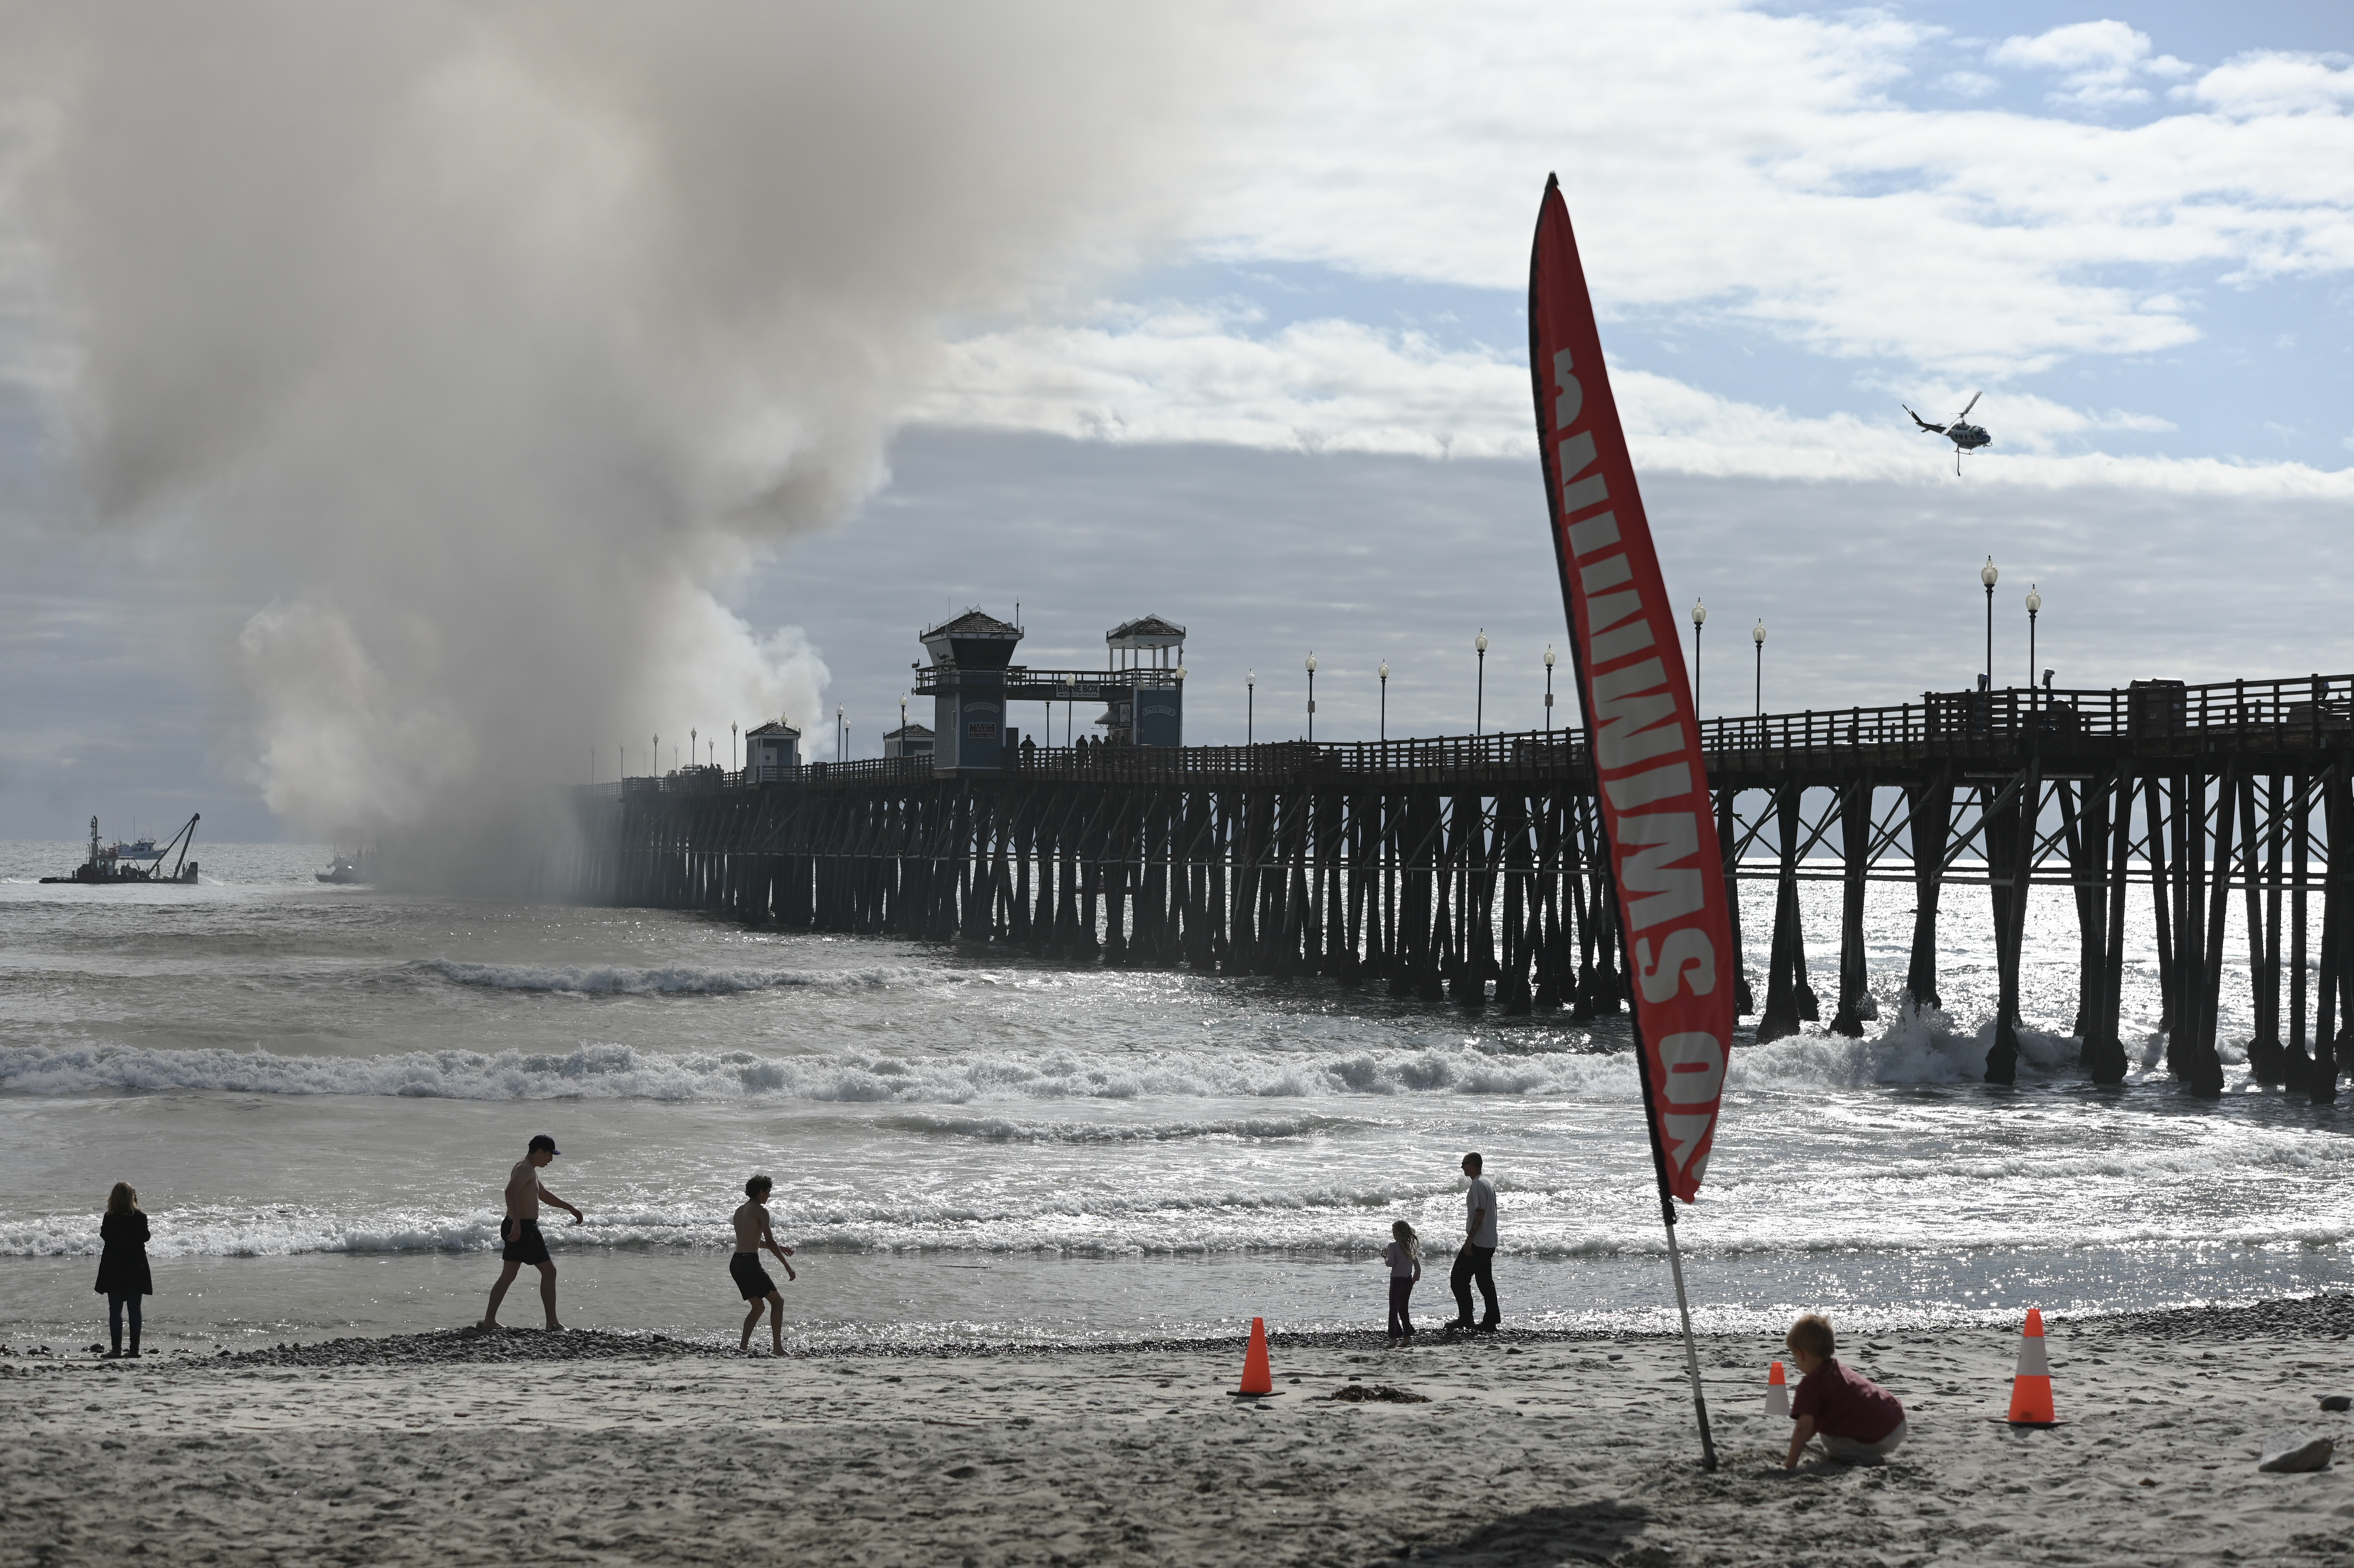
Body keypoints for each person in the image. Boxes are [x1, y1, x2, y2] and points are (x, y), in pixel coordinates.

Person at [479, 1134, 583, 1331]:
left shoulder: (529, 1170)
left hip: (518, 1225)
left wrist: (570, 1208)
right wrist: (517, 1224)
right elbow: (510, 1192)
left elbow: (543, 1195)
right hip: (524, 1228)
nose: (551, 1160)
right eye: (550, 1155)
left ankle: (489, 1322)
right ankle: (552, 1323)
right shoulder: (524, 1169)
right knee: (549, 1272)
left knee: (508, 1275)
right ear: (540, 1151)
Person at [1782, 1313, 1907, 1468]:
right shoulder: (1839, 1370)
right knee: (1830, 1425)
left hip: (1880, 1436)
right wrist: (1805, 1440)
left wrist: (1791, 1462)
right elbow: (1815, 1423)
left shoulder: (1812, 1384)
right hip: (1898, 1422)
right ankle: (1865, 1452)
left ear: (1800, 1354)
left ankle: (1866, 1460)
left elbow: (1804, 1425)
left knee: (1829, 1438)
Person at [731, 1174, 797, 1355]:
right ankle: (778, 1349)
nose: (769, 1196)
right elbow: (769, 1240)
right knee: (778, 1302)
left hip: (736, 1263)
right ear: (761, 1191)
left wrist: (779, 1248)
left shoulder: (739, 1211)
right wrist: (787, 1266)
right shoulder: (761, 1211)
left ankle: (743, 1349)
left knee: (759, 1306)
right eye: (768, 1192)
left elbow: (750, 1240)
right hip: (749, 1263)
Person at [94, 1183, 152, 1360]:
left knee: (115, 1310)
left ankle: (116, 1350)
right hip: (136, 1266)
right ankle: (134, 1350)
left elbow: (105, 1236)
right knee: (135, 1309)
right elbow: (145, 1237)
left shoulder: (110, 1217)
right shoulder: (140, 1217)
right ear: (131, 1198)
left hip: (114, 1266)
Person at [1447, 1152, 1499, 1331]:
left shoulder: (1478, 1184)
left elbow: (1481, 1212)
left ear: (1474, 1165)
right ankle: (1491, 1320)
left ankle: (1466, 1318)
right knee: (1485, 1282)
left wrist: (1469, 1240)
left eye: (1465, 1164)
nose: (1462, 1167)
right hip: (1489, 1240)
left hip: (1479, 1242)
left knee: (1458, 1278)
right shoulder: (1486, 1182)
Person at [1382, 1220, 1421, 1345]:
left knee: (1393, 1310)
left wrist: (1385, 1259)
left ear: (1397, 1234)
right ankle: (1406, 1338)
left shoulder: (1392, 1246)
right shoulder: (1410, 1248)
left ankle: (1393, 1339)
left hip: (1396, 1281)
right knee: (1404, 1310)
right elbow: (1418, 1269)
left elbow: (1392, 1263)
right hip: (1407, 1281)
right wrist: (1412, 1282)